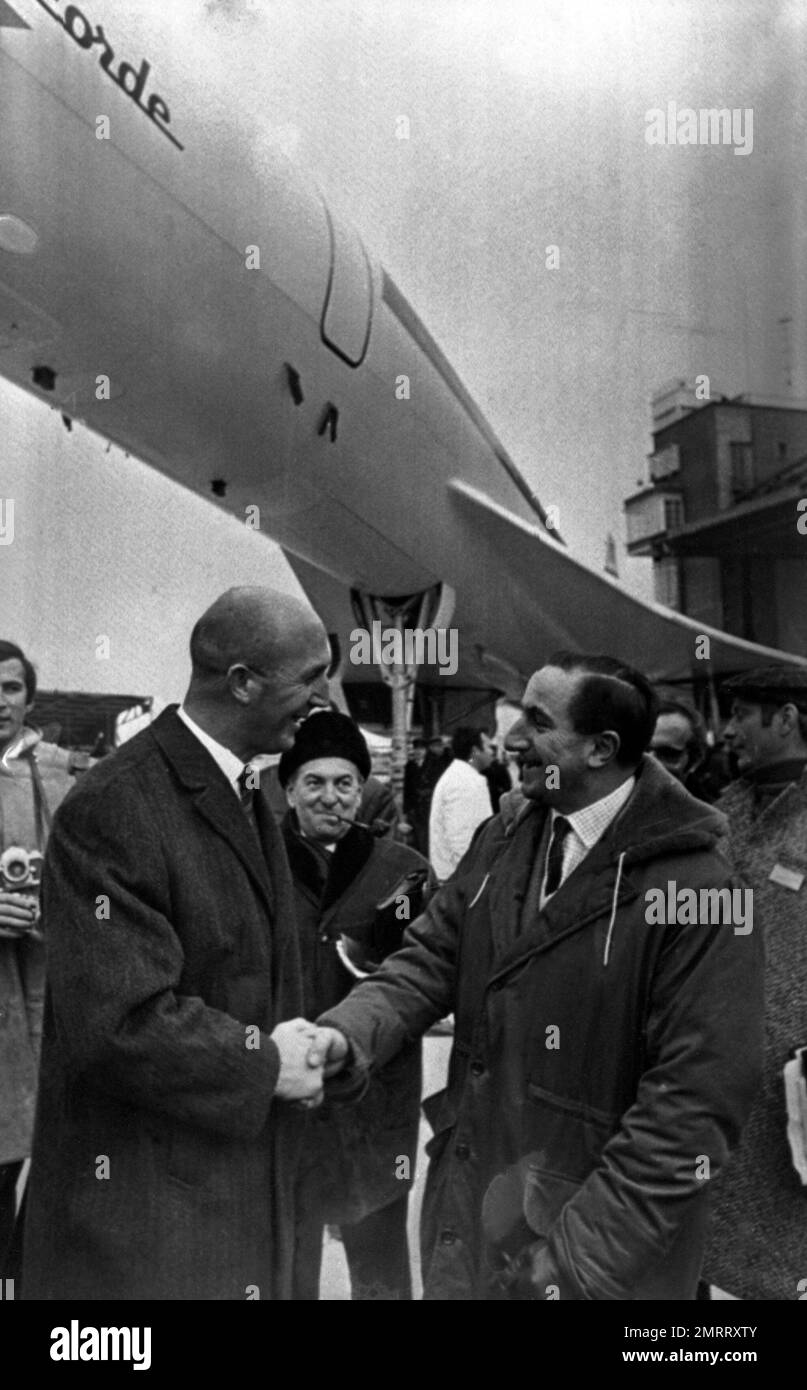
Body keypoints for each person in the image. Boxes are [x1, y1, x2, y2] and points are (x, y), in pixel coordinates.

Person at [313, 653, 764, 1300]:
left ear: (600, 749)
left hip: (598, 1260)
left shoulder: (702, 890)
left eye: (537, 720)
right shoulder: (505, 835)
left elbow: (691, 1108)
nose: (510, 737)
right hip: (474, 1212)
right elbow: (429, 958)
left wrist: (569, 1265)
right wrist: (346, 1035)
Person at [21, 587, 336, 1301]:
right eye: (309, 679)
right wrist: (267, 1064)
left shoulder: (249, 792)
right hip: (146, 1231)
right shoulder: (116, 804)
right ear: (243, 682)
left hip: (222, 1204)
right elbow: (119, 1024)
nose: (324, 701)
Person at [277, 711, 431, 1299]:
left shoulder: (399, 872)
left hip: (370, 1090)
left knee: (376, 1252)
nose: (330, 797)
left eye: (345, 783)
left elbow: (408, 976)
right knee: (286, 1252)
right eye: (313, 782)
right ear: (289, 789)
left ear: (363, 789)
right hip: (288, 1082)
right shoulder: (260, 860)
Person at [703, 665, 807, 1301]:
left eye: (743, 714)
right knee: (727, 1251)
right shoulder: (721, 814)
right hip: (727, 1067)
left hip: (799, 1074)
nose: (730, 729)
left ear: (788, 719)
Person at [0, 641, 77, 1278]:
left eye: (10, 688)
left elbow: (92, 880)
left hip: (41, 988)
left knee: (36, 1160)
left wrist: (59, 907)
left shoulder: (55, 775)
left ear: (29, 696)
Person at [428, 727, 494, 882]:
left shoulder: (460, 775)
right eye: (490, 747)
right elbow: (462, 839)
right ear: (475, 751)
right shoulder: (465, 781)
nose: (492, 752)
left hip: (453, 879)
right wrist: (476, 880)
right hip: (459, 882)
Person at [403, 738, 431, 853]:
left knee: (426, 836)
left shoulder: (431, 765)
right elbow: (407, 788)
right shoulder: (409, 766)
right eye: (416, 749)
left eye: (421, 749)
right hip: (414, 807)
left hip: (427, 806)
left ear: (425, 750)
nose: (418, 751)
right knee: (415, 838)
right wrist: (406, 810)